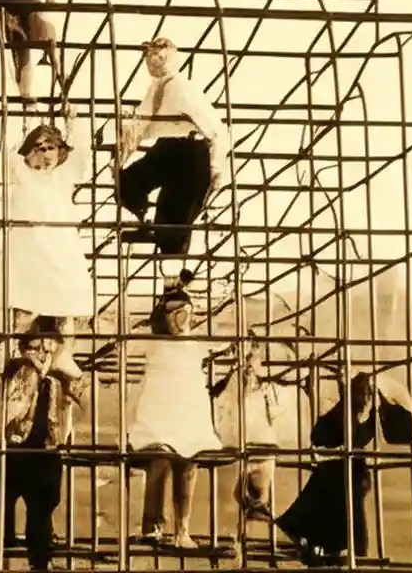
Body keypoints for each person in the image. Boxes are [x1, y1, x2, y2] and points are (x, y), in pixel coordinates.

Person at [274, 371, 412, 566]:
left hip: (348, 474)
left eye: (367, 395)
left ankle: (335, 547)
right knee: (347, 515)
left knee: (346, 515)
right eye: (361, 394)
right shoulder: (344, 413)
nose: (364, 399)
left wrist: (379, 405)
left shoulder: (359, 414)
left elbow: (391, 432)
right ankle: (341, 549)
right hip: (341, 475)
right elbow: (343, 436)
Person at [127, 271, 224, 548]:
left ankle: (182, 529)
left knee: (189, 466)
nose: (181, 321)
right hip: (159, 419)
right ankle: (153, 527)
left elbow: (219, 344)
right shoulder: (154, 343)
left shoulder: (192, 344)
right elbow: (127, 344)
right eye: (176, 315)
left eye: (185, 315)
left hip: (189, 420)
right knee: (161, 459)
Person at [0, 324, 85, 571]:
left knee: (39, 507)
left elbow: (80, 398)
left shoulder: (57, 375)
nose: (39, 354)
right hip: (19, 449)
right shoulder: (20, 369)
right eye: (34, 348)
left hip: (43, 451)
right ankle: (5, 540)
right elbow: (11, 402)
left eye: (44, 349)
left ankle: (34, 553)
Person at [117, 38, 232, 258]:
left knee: (174, 222)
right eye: (149, 56)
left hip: (190, 151)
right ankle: (147, 222)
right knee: (127, 182)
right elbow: (144, 124)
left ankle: (173, 277)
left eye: (159, 56)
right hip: (168, 147)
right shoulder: (156, 88)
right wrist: (122, 140)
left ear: (171, 58)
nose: (152, 61)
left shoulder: (183, 89)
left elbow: (216, 129)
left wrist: (218, 169)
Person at [2, 105, 94, 378]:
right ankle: (7, 353)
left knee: (67, 303)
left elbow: (83, 156)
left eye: (51, 147)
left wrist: (74, 121)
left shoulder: (63, 177)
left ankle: (63, 355)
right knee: (25, 306)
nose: (44, 154)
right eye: (38, 148)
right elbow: (6, 154)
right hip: (30, 250)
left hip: (61, 248)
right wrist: (23, 118)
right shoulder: (20, 174)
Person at [208, 339, 287, 522]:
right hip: (245, 438)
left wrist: (264, 392)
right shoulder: (236, 379)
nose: (250, 362)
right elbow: (224, 405)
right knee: (251, 474)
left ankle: (256, 504)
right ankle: (252, 505)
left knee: (259, 476)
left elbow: (276, 411)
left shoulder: (266, 383)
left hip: (261, 439)